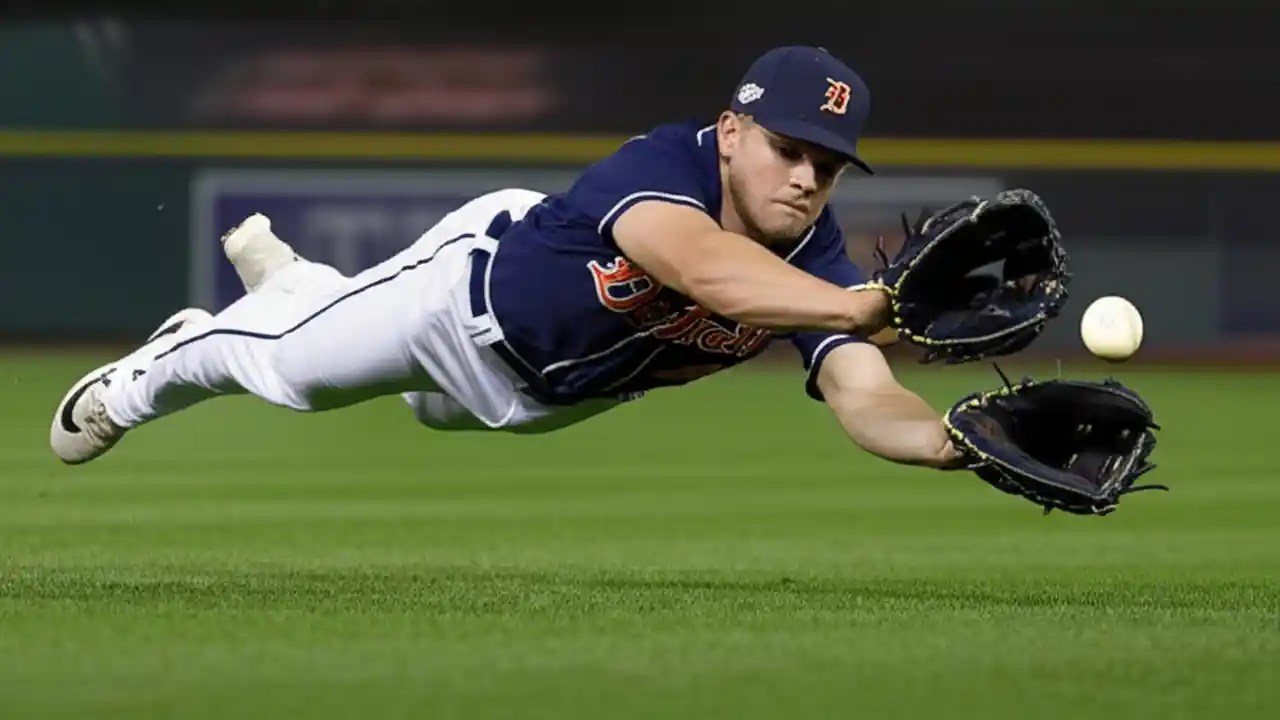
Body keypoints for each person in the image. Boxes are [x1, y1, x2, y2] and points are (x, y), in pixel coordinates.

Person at [51, 45, 963, 470]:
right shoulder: (662, 164)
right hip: (461, 299)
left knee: (413, 403)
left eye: (829, 165)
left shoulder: (818, 256)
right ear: (731, 132)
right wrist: (853, 309)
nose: (807, 177)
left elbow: (864, 393)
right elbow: (705, 270)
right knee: (293, 369)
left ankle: (298, 286)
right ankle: (144, 377)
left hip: (540, 400)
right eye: (788, 149)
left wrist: (955, 442)